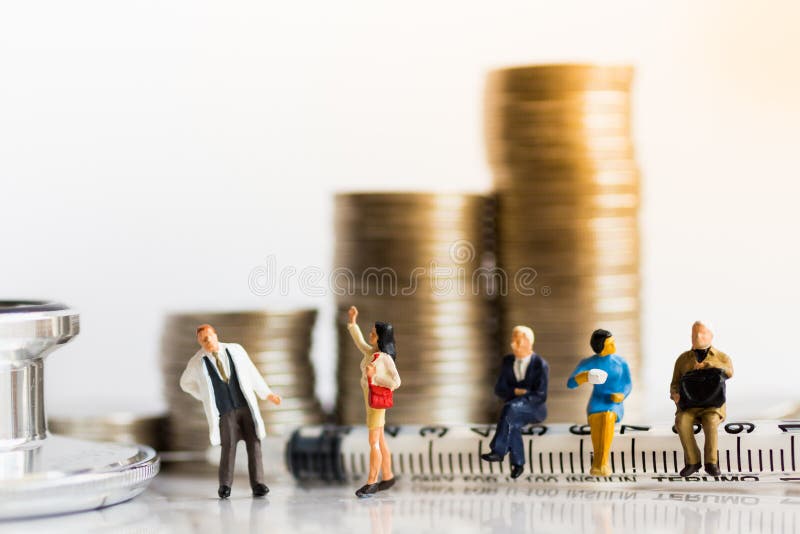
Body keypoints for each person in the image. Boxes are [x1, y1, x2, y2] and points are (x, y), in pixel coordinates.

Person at [179, 324, 281, 499]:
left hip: (245, 407)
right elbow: (185, 383)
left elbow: (252, 372)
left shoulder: (236, 350)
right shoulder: (197, 362)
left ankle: (258, 483)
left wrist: (267, 393)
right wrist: (204, 395)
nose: (208, 341)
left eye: (210, 336)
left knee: (254, 444)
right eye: (204, 339)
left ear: (216, 335)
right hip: (225, 412)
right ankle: (225, 486)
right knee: (228, 448)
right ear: (199, 342)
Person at [347, 306, 402, 497]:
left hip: (377, 403)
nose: (370, 335)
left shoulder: (385, 359)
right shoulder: (372, 353)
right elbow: (360, 342)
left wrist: (375, 377)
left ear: (380, 337)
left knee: (373, 442)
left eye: (373, 333)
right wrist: (353, 323)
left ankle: (372, 482)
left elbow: (396, 382)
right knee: (380, 439)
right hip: (369, 400)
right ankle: (387, 475)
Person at [480, 325, 548, 479]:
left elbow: (541, 395)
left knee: (510, 407)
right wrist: (516, 392)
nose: (513, 345)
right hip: (512, 411)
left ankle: (498, 451)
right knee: (513, 423)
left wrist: (522, 399)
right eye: (512, 341)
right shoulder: (507, 361)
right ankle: (518, 464)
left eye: (518, 341)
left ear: (529, 343)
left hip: (534, 408)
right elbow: (500, 389)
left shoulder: (539, 365)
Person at [670, 320, 733, 477]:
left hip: (713, 404)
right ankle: (693, 461)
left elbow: (729, 372)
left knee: (711, 422)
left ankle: (711, 462)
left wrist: (708, 365)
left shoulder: (722, 357)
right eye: (695, 333)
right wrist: (675, 394)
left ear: (711, 336)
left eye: (703, 333)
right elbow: (675, 383)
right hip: (689, 404)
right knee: (681, 421)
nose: (698, 336)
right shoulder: (682, 359)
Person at [567, 329, 632, 476]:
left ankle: (601, 463)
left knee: (608, 417)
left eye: (613, 342)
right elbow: (570, 383)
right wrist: (584, 377)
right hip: (597, 401)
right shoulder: (588, 363)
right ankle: (598, 463)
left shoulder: (620, 362)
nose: (613, 346)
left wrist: (622, 395)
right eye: (609, 344)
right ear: (599, 347)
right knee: (597, 419)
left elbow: (628, 384)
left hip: (614, 402)